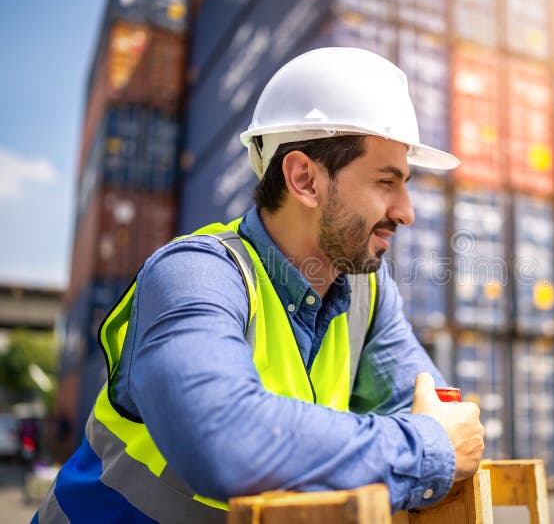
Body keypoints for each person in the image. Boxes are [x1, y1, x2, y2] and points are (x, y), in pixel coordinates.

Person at [35, 47, 485, 523]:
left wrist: (428, 440)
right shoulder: (195, 275)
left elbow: (445, 419)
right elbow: (224, 440)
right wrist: (425, 447)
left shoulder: (367, 296)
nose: (406, 211)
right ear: (304, 179)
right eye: (385, 182)